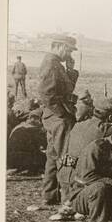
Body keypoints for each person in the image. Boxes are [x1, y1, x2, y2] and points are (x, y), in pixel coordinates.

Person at [53, 97, 112, 218]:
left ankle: (70, 205)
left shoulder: (78, 125)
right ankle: (83, 208)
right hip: (81, 182)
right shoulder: (107, 130)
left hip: (65, 180)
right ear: (110, 117)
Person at [32, 33, 79, 209]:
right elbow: (46, 94)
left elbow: (67, 88)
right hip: (58, 117)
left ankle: (49, 194)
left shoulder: (56, 64)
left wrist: (71, 71)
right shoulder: (51, 64)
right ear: (59, 46)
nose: (69, 54)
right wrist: (61, 114)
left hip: (53, 116)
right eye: (68, 50)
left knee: (52, 156)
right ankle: (67, 199)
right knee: (65, 156)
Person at [6, 107, 46, 175]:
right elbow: (44, 145)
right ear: (38, 120)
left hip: (10, 160)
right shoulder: (33, 130)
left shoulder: (19, 126)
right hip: (21, 159)